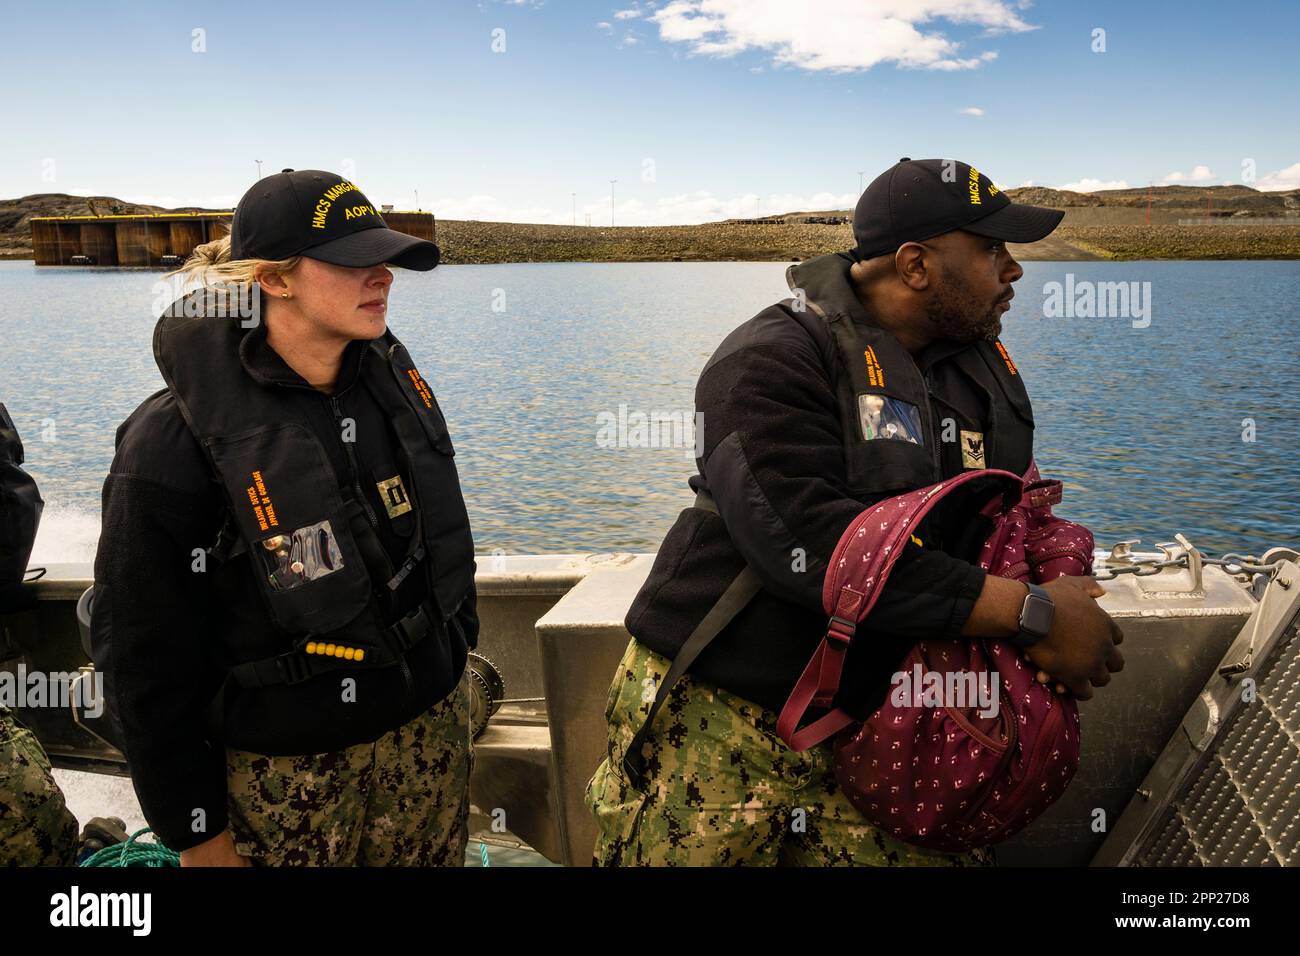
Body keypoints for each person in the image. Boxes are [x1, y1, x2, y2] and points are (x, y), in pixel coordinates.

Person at [586, 158, 1125, 866]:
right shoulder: (771, 358)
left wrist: (1062, 584)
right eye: (993, 250)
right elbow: (805, 542)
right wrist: (1031, 615)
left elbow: (1009, 508)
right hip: (722, 714)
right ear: (915, 265)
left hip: (893, 726)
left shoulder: (978, 372)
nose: (1013, 270)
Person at [92, 169, 480, 866]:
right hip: (286, 782)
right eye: (355, 260)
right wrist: (198, 835)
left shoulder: (393, 397)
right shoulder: (169, 446)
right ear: (274, 279)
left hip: (429, 749)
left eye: (384, 256)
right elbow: (141, 661)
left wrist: (448, 661)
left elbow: (438, 543)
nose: (383, 276)